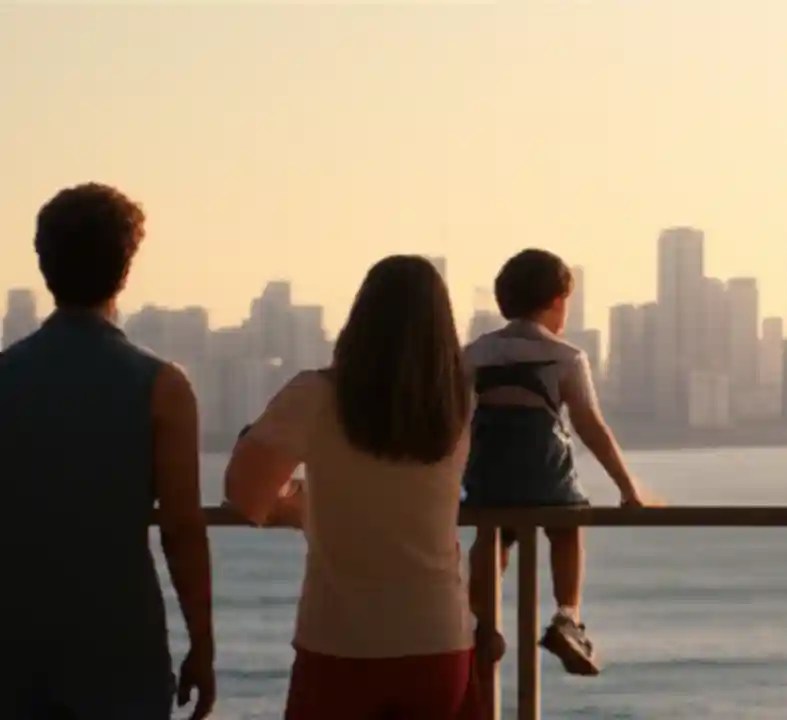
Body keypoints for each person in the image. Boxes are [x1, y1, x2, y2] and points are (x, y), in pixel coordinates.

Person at [224, 255, 483, 719]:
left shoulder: (314, 396)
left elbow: (246, 496)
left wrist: (303, 507)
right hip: (439, 638)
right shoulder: (458, 406)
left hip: (341, 641)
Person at [0, 183, 215, 719]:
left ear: (44, 264)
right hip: (121, 653)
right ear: (125, 268)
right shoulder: (162, 387)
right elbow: (182, 528)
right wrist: (204, 645)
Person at [464, 248, 645, 677]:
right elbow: (589, 426)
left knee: (491, 536)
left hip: (490, 477)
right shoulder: (566, 357)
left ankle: (481, 622)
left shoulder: (474, 353)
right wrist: (627, 488)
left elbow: (453, 421)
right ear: (558, 301)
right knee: (567, 527)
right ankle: (567, 615)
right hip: (547, 478)